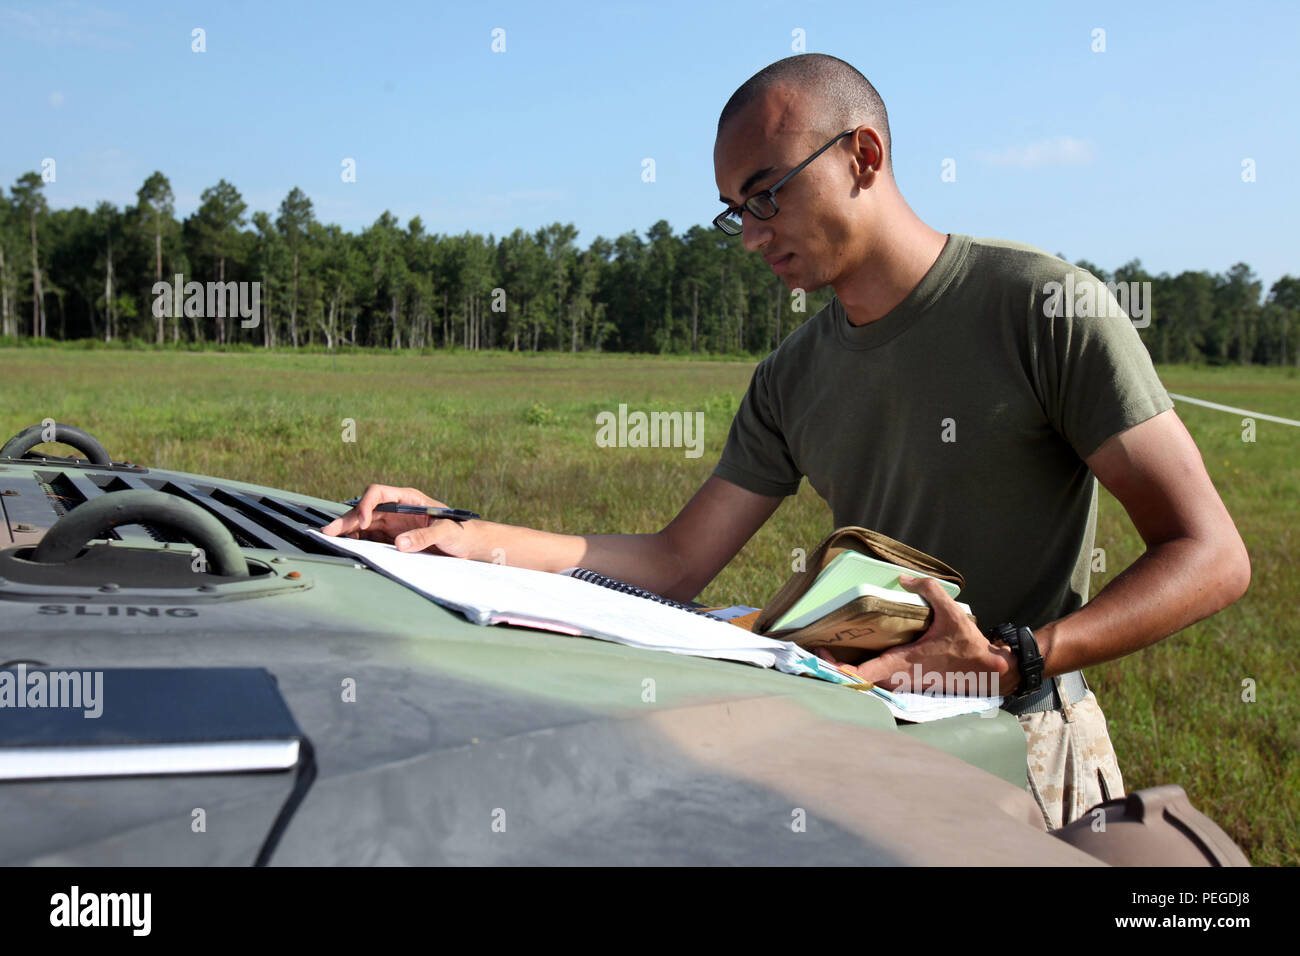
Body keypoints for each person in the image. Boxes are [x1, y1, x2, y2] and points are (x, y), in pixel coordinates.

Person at [322, 54, 1250, 830]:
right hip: (861, 743)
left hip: (1022, 749)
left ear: (864, 155)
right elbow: (675, 561)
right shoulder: (791, 376)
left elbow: (1212, 556)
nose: (750, 236)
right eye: (735, 210)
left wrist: (1023, 655)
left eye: (765, 196)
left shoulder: (1045, 309)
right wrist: (467, 533)